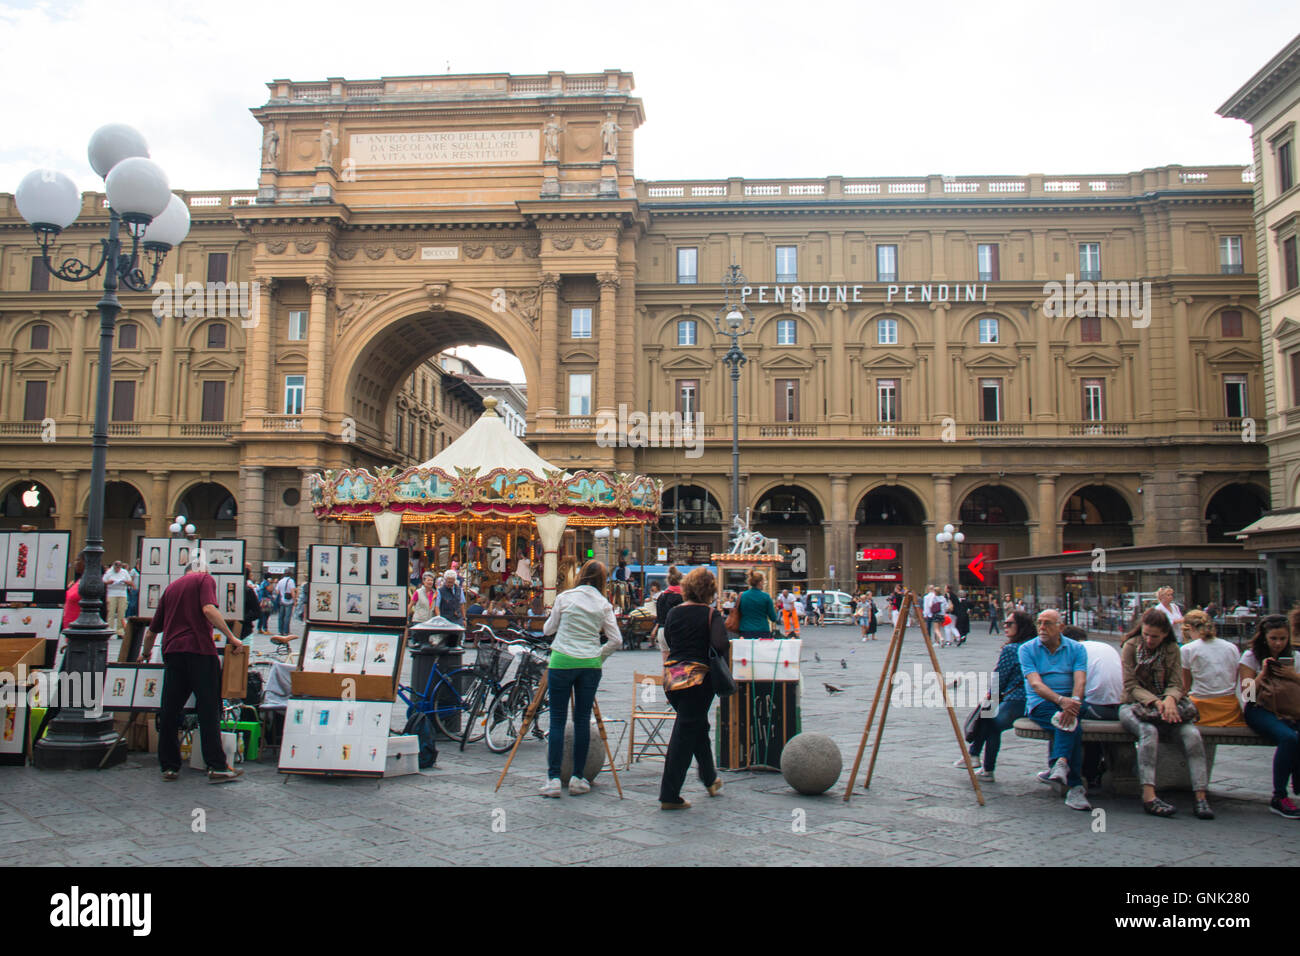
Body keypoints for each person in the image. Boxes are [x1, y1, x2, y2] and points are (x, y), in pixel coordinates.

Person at [138, 556, 244, 783]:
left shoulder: (170, 589)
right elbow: (208, 609)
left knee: (170, 709)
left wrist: (146, 654)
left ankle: (169, 766)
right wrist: (232, 637)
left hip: (173, 653)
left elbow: (151, 632)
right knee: (209, 710)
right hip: (200, 651)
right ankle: (216, 766)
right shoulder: (204, 579)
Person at [1117, 609, 1212, 818]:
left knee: (1193, 736)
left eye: (1155, 636)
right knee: (1148, 733)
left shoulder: (1171, 649)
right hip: (1135, 706)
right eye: (1146, 634)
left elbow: (1177, 683)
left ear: (1165, 634)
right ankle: (1149, 796)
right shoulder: (1131, 647)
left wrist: (1169, 699)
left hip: (1168, 706)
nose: (1150, 640)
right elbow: (1130, 685)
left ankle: (1201, 797)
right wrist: (1156, 701)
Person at [539, 560, 621, 797]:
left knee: (556, 720)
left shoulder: (565, 598)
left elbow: (547, 630)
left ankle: (553, 779)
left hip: (562, 661)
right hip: (589, 665)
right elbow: (616, 640)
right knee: (583, 720)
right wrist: (598, 656)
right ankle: (577, 778)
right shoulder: (603, 604)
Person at [657, 567, 728, 809]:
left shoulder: (675, 612)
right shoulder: (711, 614)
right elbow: (720, 644)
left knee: (697, 726)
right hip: (699, 680)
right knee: (684, 733)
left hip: (673, 680)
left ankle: (710, 779)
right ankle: (669, 795)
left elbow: (669, 639)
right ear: (710, 590)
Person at [1019, 609, 1091, 811]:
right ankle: (1074, 784)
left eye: (1048, 623)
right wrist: (1062, 701)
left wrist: (1074, 701)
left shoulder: (1076, 649)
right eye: (1039, 622)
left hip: (1071, 702)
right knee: (1070, 725)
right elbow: (1036, 685)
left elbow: (1080, 679)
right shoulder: (1027, 649)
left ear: (1060, 627)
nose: (1042, 628)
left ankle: (1059, 764)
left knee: (1067, 720)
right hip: (1041, 702)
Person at [1238, 613, 1300, 819]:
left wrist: (1292, 675)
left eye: (1283, 638)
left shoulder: (1295, 657)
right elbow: (1248, 695)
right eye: (1274, 638)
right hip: (1259, 709)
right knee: (1289, 737)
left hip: (1289, 708)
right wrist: (1263, 673)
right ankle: (1279, 796)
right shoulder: (1250, 657)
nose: (1278, 643)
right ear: (1264, 637)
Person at [962, 609, 1035, 780]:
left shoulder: (1012, 649)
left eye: (1009, 624)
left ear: (1021, 626)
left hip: (1017, 700)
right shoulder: (1035, 647)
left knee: (990, 722)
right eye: (1005, 623)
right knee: (989, 717)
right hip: (1034, 699)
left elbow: (999, 679)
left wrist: (988, 699)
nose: (1005, 627)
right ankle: (978, 760)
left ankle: (977, 759)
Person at [1063, 624, 1123, 788]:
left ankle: (1061, 768)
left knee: (1063, 715)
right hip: (1120, 708)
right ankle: (1094, 771)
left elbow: (1072, 688)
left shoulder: (1075, 651)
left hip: (1099, 708)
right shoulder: (1105, 646)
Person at [1180, 610, 1245, 728]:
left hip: (1200, 709)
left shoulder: (1187, 649)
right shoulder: (1232, 648)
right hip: (1229, 711)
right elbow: (1237, 681)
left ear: (1190, 628)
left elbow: (1185, 687)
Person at [737, 569, 779, 639]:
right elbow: (773, 618)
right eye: (764, 581)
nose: (764, 583)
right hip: (762, 630)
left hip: (745, 630)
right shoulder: (766, 597)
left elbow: (739, 612)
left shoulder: (743, 596)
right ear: (760, 582)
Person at [655, 567, 685, 646]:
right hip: (679, 631)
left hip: (662, 631)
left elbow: (659, 617)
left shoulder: (661, 596)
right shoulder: (684, 597)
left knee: (666, 657)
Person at [102, 559, 132, 637]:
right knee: (111, 612)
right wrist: (109, 582)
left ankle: (120, 631)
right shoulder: (109, 572)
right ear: (113, 566)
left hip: (122, 593)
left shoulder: (124, 572)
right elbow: (103, 581)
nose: (117, 569)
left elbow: (130, 582)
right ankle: (110, 629)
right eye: (116, 567)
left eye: (119, 567)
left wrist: (125, 582)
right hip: (112, 593)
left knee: (121, 613)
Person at [62, 556, 85, 629]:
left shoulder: (89, 582)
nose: (75, 563)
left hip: (79, 627)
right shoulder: (77, 581)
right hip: (69, 625)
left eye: (78, 560)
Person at [274, 570, 296, 636]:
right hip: (289, 601)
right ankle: (286, 631)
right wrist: (295, 600)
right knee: (287, 616)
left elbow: (277, 591)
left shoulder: (280, 581)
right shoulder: (291, 581)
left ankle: (280, 630)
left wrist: (282, 594)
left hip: (282, 600)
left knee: (281, 616)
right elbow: (292, 591)